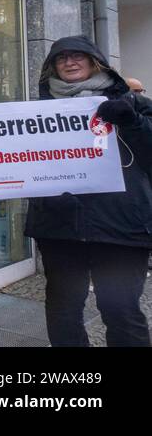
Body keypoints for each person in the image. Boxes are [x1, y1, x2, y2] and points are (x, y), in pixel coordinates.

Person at [23, 36, 152, 347]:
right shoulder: (36, 112)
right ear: (51, 67)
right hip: (60, 226)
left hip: (122, 227)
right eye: (61, 58)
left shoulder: (134, 103)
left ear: (96, 61)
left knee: (120, 310)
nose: (70, 62)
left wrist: (132, 122)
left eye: (78, 56)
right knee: (63, 310)